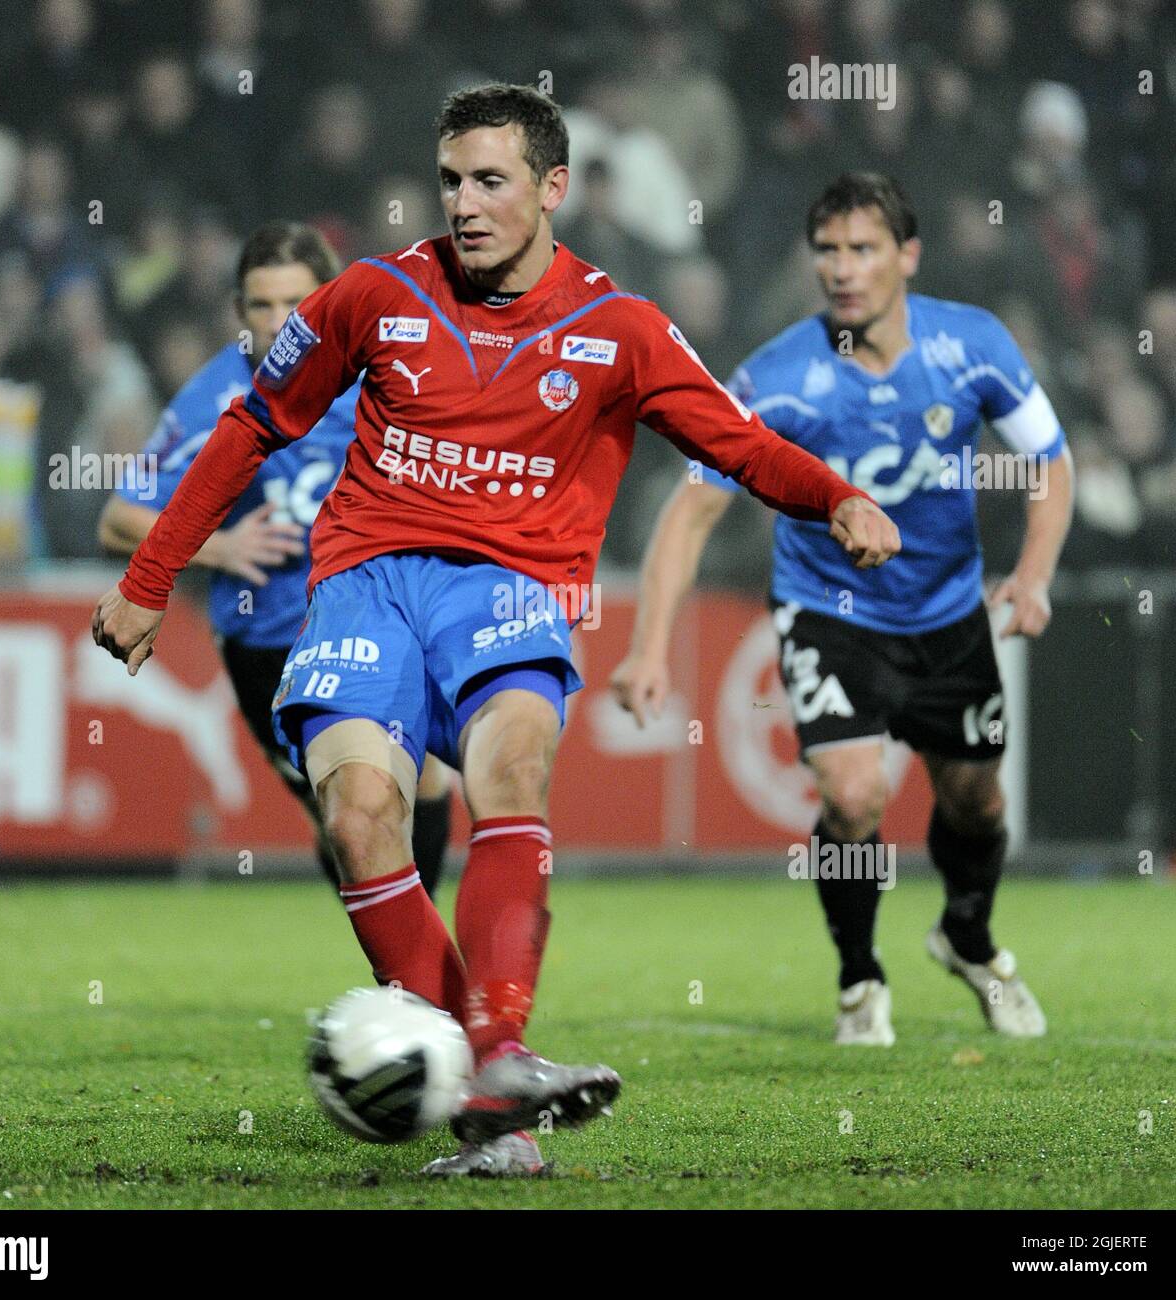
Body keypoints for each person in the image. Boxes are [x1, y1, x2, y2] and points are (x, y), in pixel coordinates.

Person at [92, 87, 898, 1176]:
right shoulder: (372, 295)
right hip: (367, 581)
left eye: (491, 181)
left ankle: (497, 1052)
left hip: (513, 585)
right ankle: (490, 1089)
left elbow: (738, 442)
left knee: (508, 773)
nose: (464, 205)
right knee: (362, 817)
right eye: (450, 181)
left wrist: (836, 496)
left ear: (552, 188)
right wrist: (150, 578)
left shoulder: (619, 328)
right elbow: (250, 428)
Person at [611, 173, 1074, 1047]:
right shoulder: (780, 376)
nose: (842, 269)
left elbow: (1051, 461)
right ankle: (860, 977)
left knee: (977, 804)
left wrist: (1035, 573)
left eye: (863, 249)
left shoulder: (974, 346)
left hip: (947, 615)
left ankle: (967, 939)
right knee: (853, 795)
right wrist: (649, 648)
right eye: (827, 250)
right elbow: (692, 508)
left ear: (908, 255)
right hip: (831, 613)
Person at [97, 220, 452, 893]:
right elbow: (117, 518)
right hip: (269, 649)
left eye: (296, 302)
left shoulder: (378, 374)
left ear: (331, 298)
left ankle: (413, 982)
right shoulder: (217, 398)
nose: (278, 321)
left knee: (422, 781)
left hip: (374, 620)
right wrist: (222, 544)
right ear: (238, 313)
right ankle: (405, 973)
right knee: (347, 821)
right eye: (261, 305)